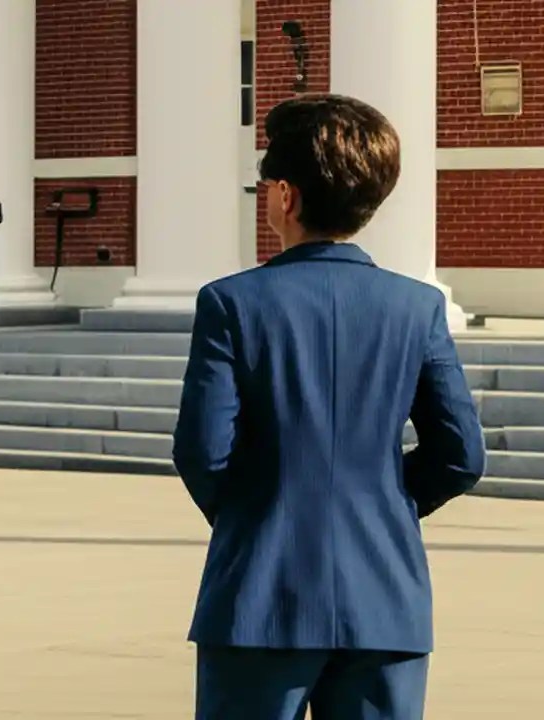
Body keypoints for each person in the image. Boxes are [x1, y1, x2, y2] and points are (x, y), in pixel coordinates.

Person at [172, 93, 487, 720]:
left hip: (259, 598)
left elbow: (202, 451)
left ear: (285, 195)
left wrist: (257, 513)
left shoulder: (231, 303)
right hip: (385, 597)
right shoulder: (416, 307)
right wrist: (386, 503)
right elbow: (461, 455)